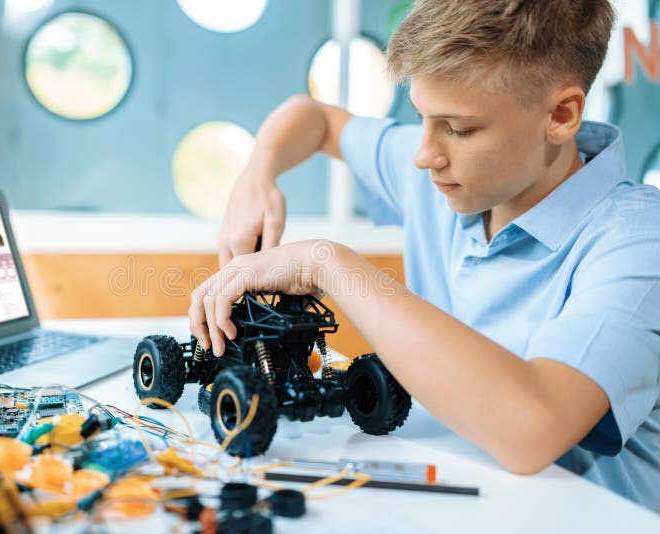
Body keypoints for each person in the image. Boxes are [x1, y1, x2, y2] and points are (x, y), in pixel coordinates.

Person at [188, 0, 660, 510]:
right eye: (420, 118)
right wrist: (258, 173)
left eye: (458, 128)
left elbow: (532, 430)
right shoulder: (447, 175)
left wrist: (328, 262)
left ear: (561, 115)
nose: (423, 154)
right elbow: (314, 119)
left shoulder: (637, 242)